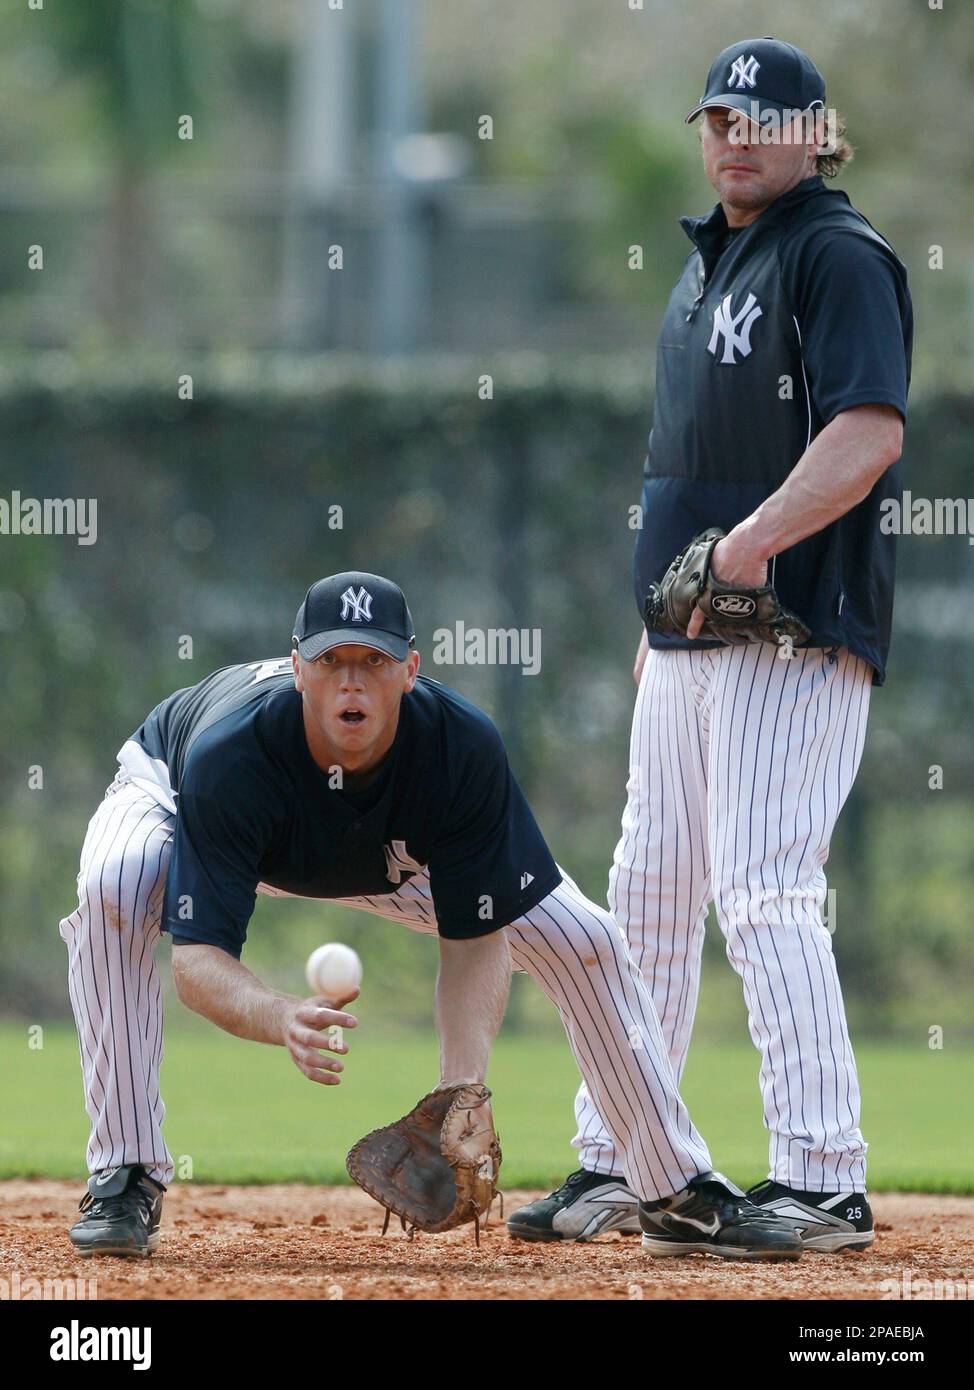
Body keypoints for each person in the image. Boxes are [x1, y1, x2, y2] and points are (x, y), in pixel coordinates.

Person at [59, 570, 802, 1261]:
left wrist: (460, 1094)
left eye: (374, 662)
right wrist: (278, 1013)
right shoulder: (231, 758)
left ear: (410, 672)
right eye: (331, 660)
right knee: (115, 888)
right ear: (297, 670)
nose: (352, 680)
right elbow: (195, 963)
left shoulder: (458, 748)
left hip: (385, 854)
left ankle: (676, 1191)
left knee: (585, 939)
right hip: (183, 796)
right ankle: (125, 1174)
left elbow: (477, 934)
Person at [508, 36, 912, 1252]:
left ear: (812, 130)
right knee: (647, 896)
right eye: (716, 117)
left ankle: (823, 1179)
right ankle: (629, 1158)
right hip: (686, 644)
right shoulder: (708, 266)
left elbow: (867, 432)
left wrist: (743, 552)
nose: (731, 135)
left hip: (789, 632)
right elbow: (684, 466)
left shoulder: (835, 254)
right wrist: (661, 630)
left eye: (757, 116)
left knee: (766, 891)